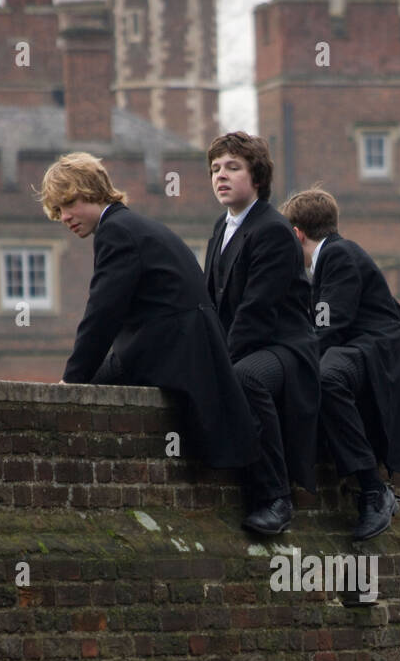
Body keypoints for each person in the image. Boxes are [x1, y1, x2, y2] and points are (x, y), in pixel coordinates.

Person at [38, 152, 260, 479]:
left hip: (168, 348)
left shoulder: (115, 232)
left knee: (85, 395)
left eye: (67, 204)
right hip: (189, 343)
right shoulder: (135, 225)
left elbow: (102, 312)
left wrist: (70, 379)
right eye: (57, 211)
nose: (64, 217)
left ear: (90, 192)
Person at [281, 187, 400, 541]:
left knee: (326, 378)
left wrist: (295, 363)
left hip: (375, 349)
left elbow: (330, 325)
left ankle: (373, 489)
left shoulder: (337, 255)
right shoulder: (335, 255)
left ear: (297, 234)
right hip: (364, 346)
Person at [204, 132, 320, 536]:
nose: (221, 176)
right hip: (248, 344)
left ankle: (277, 498)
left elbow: (256, 310)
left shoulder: (271, 229)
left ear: (257, 177)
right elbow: (211, 303)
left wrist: (221, 363)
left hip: (285, 349)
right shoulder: (222, 227)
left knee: (245, 379)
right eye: (215, 169)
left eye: (232, 168)